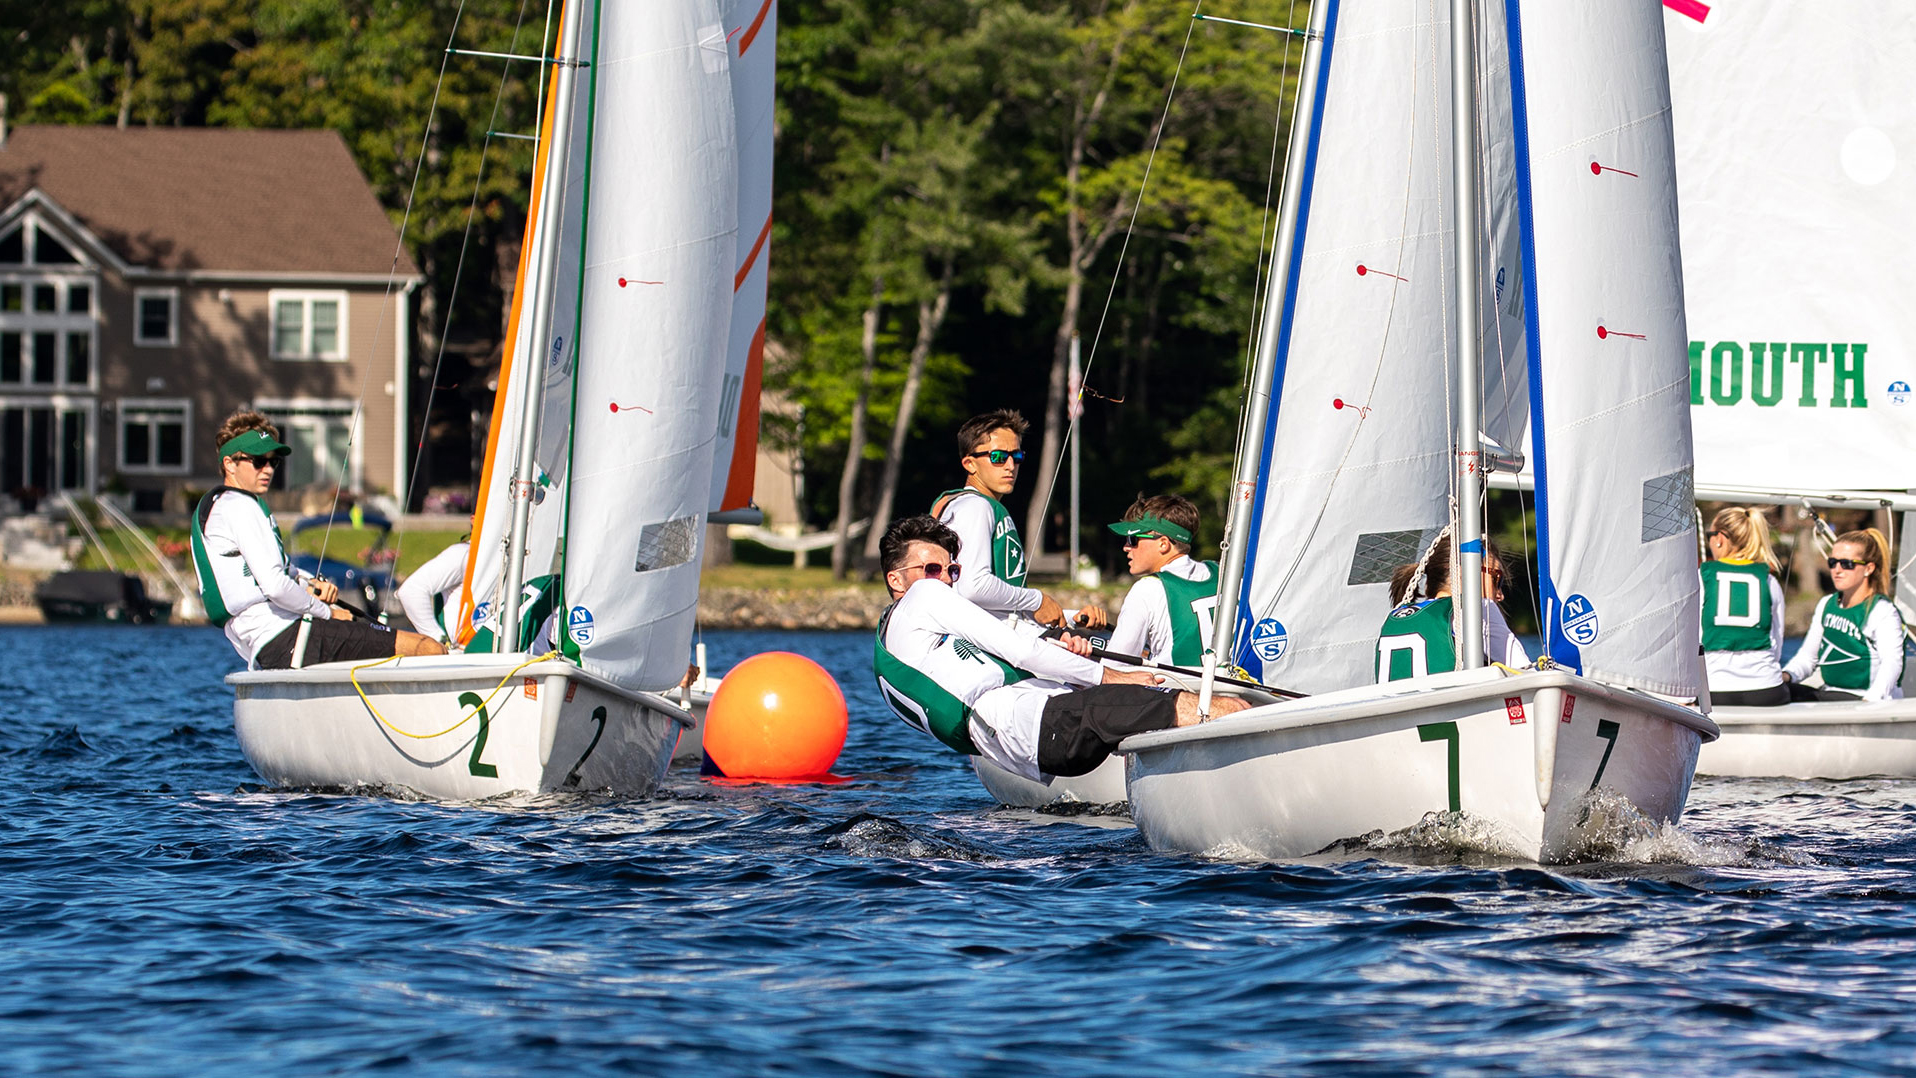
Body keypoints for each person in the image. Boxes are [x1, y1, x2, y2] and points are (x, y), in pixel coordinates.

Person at [871, 515, 1247, 781]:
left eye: (953, 571)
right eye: (934, 570)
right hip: (1037, 722)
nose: (946, 580)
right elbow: (1019, 652)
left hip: (1023, 744)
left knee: (1157, 701)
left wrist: (1068, 650)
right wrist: (1112, 676)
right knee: (1215, 706)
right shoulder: (922, 595)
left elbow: (1006, 654)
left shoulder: (894, 643)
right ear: (896, 580)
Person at [190, 410, 445, 670]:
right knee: (429, 649)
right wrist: (327, 612)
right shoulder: (240, 507)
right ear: (230, 464)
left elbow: (274, 571)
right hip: (285, 635)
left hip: (265, 644)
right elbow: (275, 586)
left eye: (273, 462)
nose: (267, 469)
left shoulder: (219, 506)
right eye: (258, 461)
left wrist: (309, 582)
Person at [931, 410, 1105, 629]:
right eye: (998, 457)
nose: (1010, 465)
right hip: (981, 647)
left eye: (1017, 456)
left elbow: (1003, 610)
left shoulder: (978, 506)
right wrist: (1037, 600)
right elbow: (973, 586)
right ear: (969, 463)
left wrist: (1070, 618)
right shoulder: (975, 506)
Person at [1376, 533, 1529, 682]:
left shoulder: (1398, 617)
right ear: (1465, 573)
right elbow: (1525, 674)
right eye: (1496, 579)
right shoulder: (1477, 609)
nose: (1500, 595)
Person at [1782, 528, 1907, 702]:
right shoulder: (1826, 604)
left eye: (1847, 564)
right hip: (1831, 694)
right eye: (1833, 562)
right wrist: (1785, 676)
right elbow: (1808, 658)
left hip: (1862, 697)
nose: (1837, 570)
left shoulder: (1882, 610)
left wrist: (1871, 699)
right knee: (1778, 693)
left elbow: (1892, 663)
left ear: (1868, 569)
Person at [1104, 494, 1217, 666]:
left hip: (1181, 690)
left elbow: (1113, 667)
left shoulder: (1147, 589)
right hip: (1235, 688)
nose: (1126, 547)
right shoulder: (1224, 574)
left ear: (1163, 544)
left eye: (1133, 539)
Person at [1700, 507, 1788, 706]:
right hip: (1766, 689)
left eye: (1709, 535)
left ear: (1720, 538)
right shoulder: (1769, 581)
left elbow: (1691, 640)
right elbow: (1777, 642)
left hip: (1715, 690)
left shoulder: (1701, 578)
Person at [396, 536, 470, 646]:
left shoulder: (498, 557)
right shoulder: (464, 553)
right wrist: (439, 641)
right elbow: (411, 591)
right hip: (463, 653)